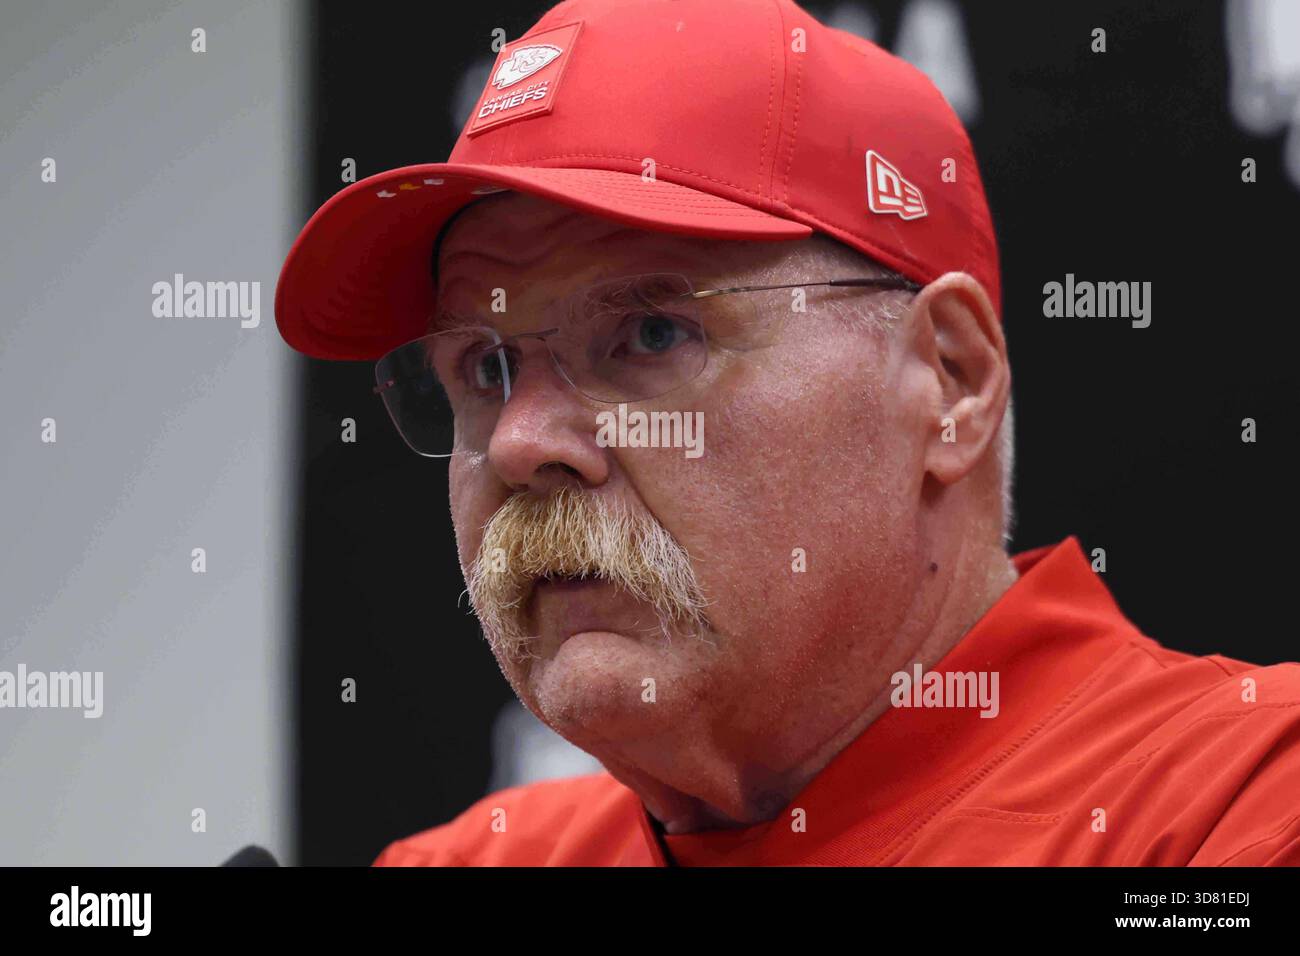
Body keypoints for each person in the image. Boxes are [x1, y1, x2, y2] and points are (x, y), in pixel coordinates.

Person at [275, 0, 1300, 866]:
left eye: (649, 332)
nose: (518, 442)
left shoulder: (1237, 804)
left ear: (949, 379)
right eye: (482, 369)